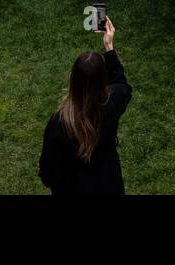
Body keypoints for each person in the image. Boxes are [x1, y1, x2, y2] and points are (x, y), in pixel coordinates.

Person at [39, 18, 130, 195]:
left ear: (73, 79)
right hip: (108, 185)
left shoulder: (60, 123)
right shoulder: (113, 101)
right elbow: (121, 83)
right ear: (104, 80)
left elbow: (48, 173)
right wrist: (109, 47)